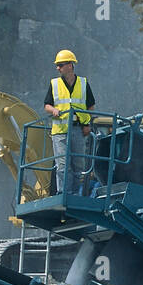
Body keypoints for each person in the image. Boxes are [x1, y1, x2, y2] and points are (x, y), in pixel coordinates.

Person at [44, 49, 96, 195]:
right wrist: (53, 110)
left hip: (77, 129)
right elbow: (47, 105)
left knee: (78, 163)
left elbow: (90, 105)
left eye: (60, 65)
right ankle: (64, 193)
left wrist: (87, 124)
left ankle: (76, 193)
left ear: (70, 65)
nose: (58, 68)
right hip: (60, 131)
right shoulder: (54, 84)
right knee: (62, 164)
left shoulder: (83, 83)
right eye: (58, 65)